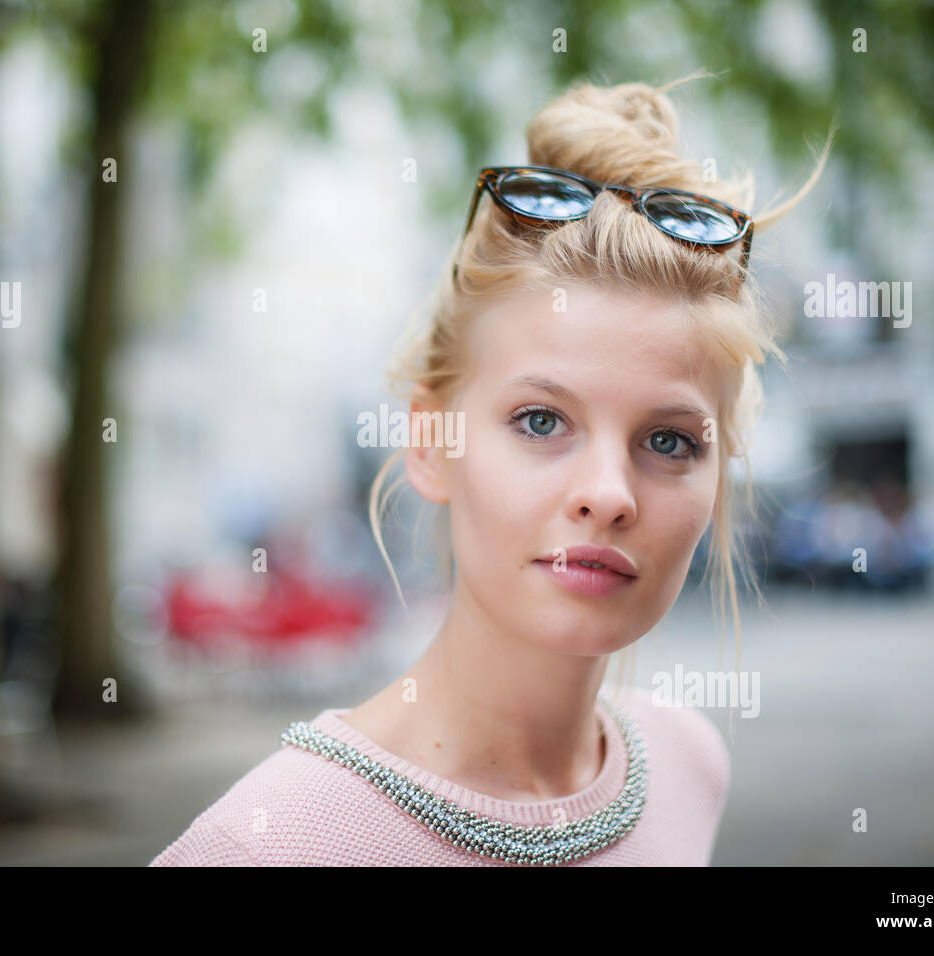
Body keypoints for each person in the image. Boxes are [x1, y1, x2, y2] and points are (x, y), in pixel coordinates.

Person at [151, 75, 830, 866]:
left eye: (670, 442)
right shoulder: (264, 846)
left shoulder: (688, 765)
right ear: (432, 442)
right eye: (541, 422)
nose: (607, 495)